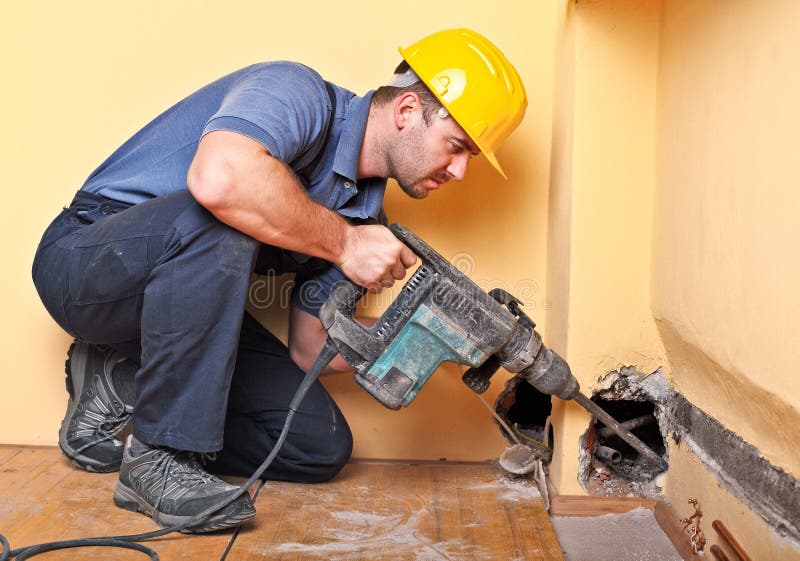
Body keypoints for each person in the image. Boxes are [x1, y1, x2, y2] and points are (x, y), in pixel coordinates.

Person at [31, 28, 527, 532]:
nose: (462, 171)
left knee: (319, 445)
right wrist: (346, 245)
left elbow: (310, 351)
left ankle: (123, 381)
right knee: (223, 218)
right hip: (86, 262)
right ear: (405, 112)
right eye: (458, 146)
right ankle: (158, 458)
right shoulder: (296, 92)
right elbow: (220, 179)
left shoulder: (361, 222)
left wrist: (427, 339)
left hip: (184, 311)